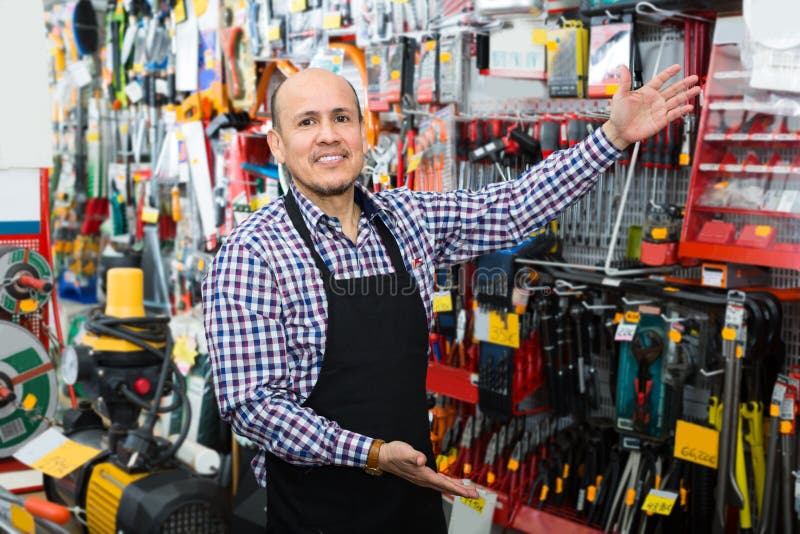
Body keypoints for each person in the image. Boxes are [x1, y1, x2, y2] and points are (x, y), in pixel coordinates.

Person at [203, 65, 699, 533]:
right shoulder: (251, 253)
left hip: (416, 497)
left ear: (363, 131)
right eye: (306, 122)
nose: (328, 135)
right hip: (318, 512)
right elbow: (252, 405)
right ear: (278, 144)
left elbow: (513, 208)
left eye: (341, 118)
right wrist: (372, 454)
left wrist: (611, 138)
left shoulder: (407, 218)